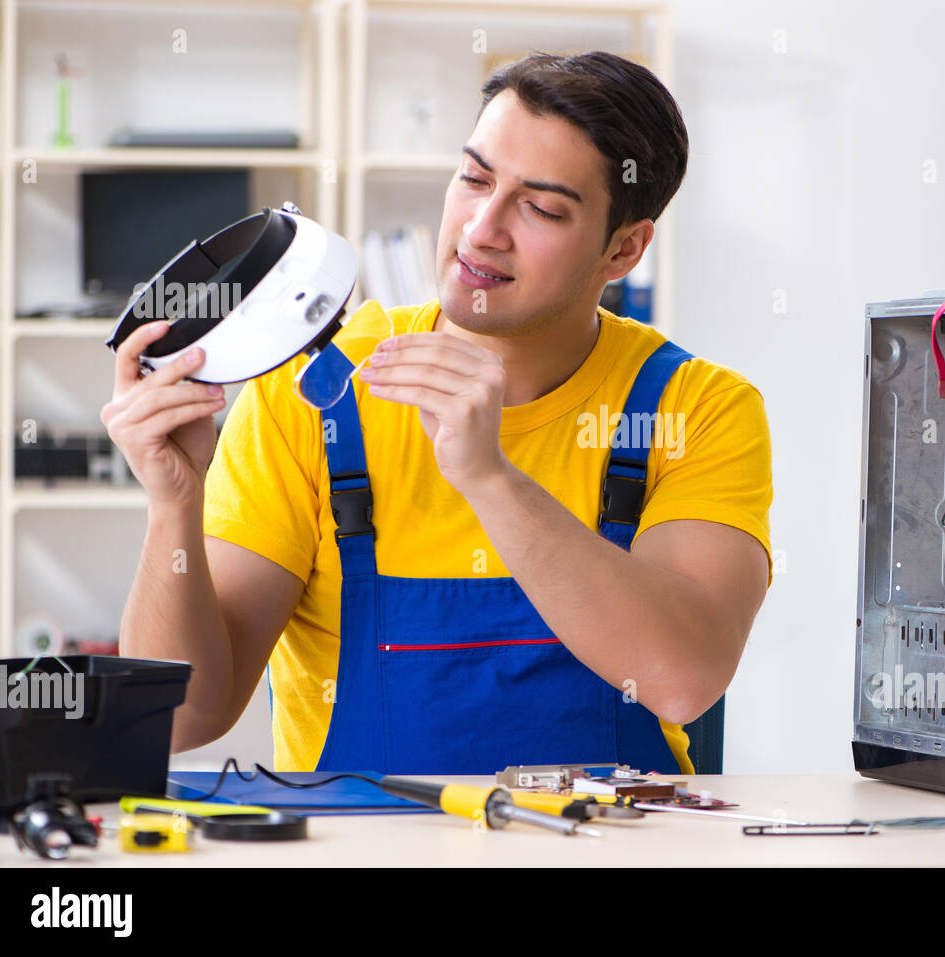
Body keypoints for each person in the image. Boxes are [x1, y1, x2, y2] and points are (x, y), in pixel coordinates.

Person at [102, 51, 773, 774]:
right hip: (362, 847)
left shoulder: (697, 408)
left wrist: (490, 478)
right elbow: (177, 720)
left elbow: (682, 678)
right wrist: (174, 503)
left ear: (624, 248)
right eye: (475, 179)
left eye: (541, 207)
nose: (482, 229)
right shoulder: (311, 393)